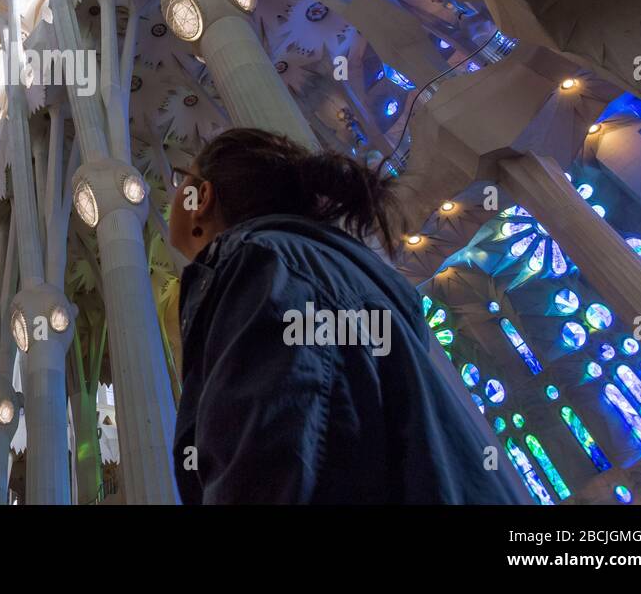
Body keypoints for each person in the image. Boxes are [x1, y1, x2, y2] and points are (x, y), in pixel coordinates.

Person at [168, 127, 522, 504]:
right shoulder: (321, 265)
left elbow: (266, 455)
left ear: (201, 198)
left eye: (180, 181)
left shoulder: (262, 262)